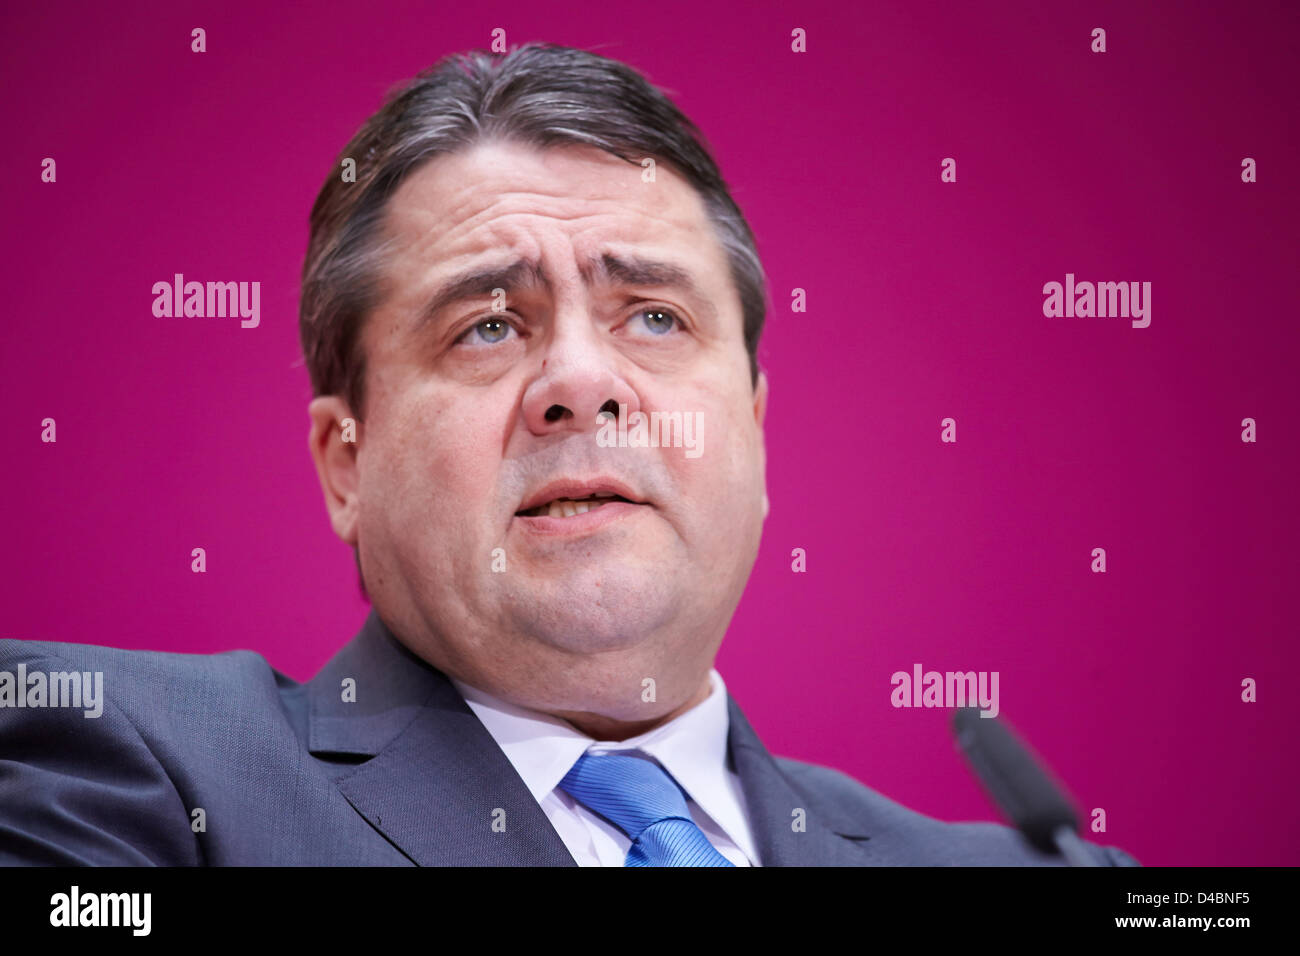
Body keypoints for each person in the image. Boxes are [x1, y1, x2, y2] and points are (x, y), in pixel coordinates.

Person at [0, 42, 1137, 867]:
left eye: (653, 316)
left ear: (752, 426)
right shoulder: (130, 775)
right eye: (487, 325)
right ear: (345, 461)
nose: (582, 383)